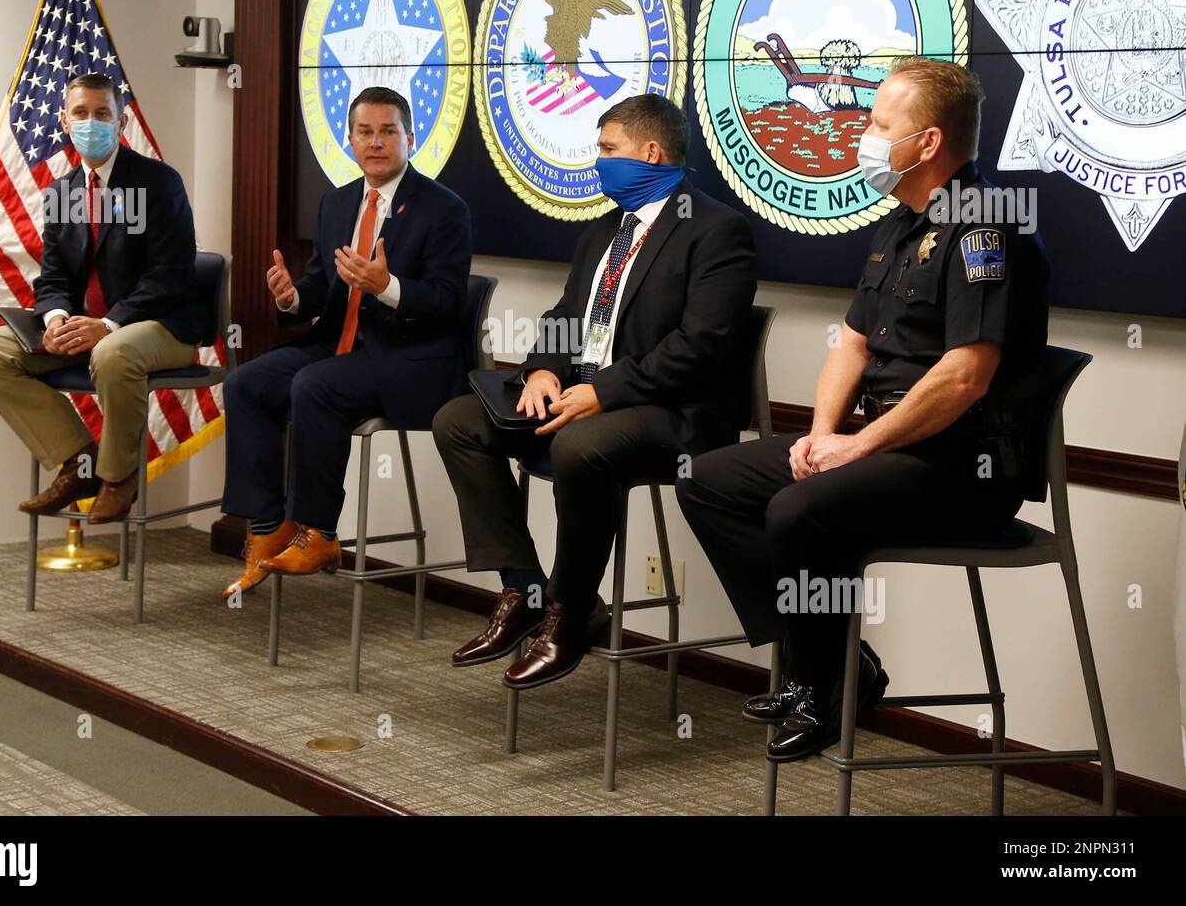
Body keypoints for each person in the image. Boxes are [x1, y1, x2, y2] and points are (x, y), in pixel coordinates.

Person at [676, 56, 1050, 762]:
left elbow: (966, 375)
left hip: (962, 466)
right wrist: (821, 436)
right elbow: (850, 342)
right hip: (884, 447)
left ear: (929, 142)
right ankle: (841, 663)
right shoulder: (902, 222)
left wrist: (858, 447)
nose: (862, 134)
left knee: (799, 509)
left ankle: (820, 685)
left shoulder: (983, 225)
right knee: (709, 480)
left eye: (880, 124)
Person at [433, 93, 758, 689]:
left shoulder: (716, 231)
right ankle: (526, 587)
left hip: (673, 414)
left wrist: (602, 393)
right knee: (459, 421)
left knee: (579, 446)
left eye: (608, 149)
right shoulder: (605, 229)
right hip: (582, 399)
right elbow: (566, 314)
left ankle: (571, 608)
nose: (598, 161)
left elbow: (700, 344)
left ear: (651, 153)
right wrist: (542, 371)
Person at [219, 86, 472, 597]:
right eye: (365, 132)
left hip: (412, 358)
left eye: (388, 131)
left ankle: (319, 532)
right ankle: (269, 529)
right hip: (338, 344)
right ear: (350, 140)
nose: (376, 142)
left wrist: (387, 287)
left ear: (410, 138)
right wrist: (292, 298)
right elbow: (321, 285)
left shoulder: (444, 209)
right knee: (246, 383)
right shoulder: (337, 203)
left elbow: (448, 301)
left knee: (315, 385)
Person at [0, 72, 204, 524]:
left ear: (122, 120)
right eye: (81, 114)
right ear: (65, 122)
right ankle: (79, 462)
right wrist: (54, 318)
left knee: (113, 353)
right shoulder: (63, 192)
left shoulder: (159, 182)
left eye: (102, 114)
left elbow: (169, 276)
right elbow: (53, 278)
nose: (92, 123)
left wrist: (107, 324)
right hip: (83, 330)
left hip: (162, 326)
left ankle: (116, 478)